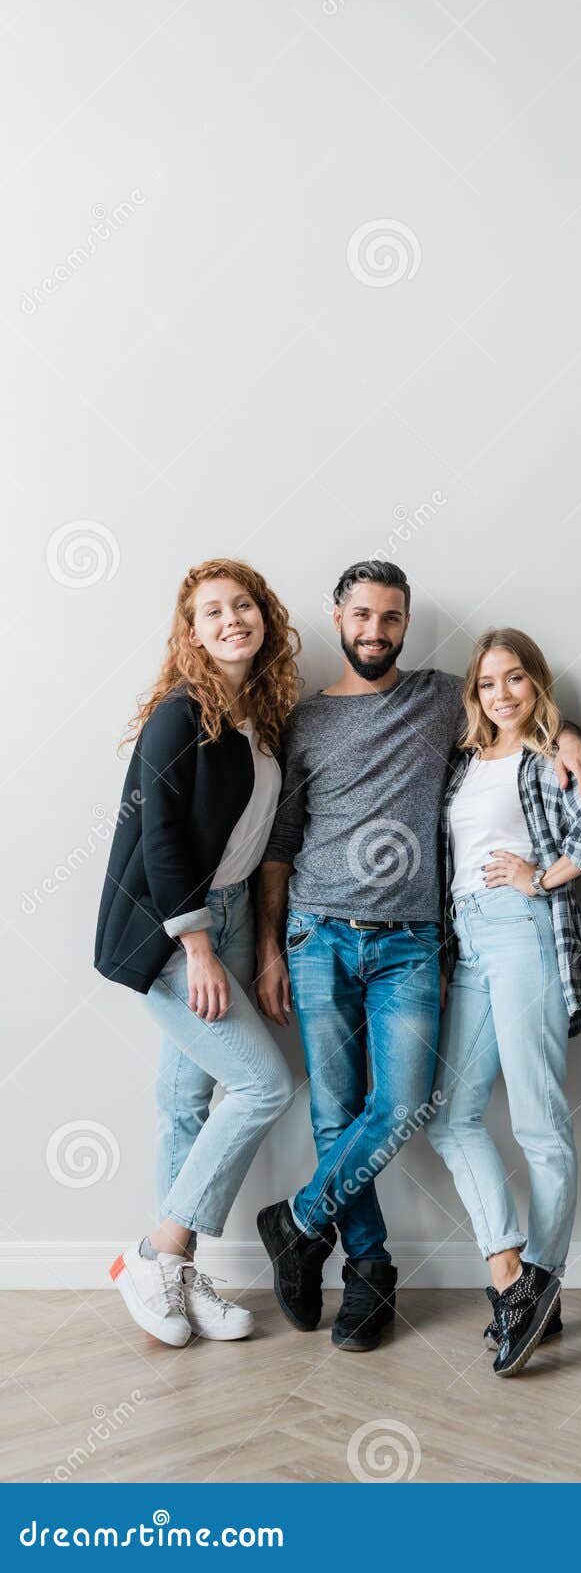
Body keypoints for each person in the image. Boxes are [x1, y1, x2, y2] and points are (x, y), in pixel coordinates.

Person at [254, 561, 581, 1354]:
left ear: (406, 624)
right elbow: (280, 841)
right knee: (335, 1111)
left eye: (390, 617)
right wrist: (270, 947)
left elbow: (516, 707)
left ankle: (299, 1221)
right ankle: (369, 1272)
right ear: (338, 618)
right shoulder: (305, 720)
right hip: (316, 932)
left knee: (404, 1104)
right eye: (362, 616)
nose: (375, 631)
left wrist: (570, 735)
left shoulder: (442, 698)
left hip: (413, 940)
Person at [95, 560, 299, 1347]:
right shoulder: (181, 715)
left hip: (236, 913)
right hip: (177, 929)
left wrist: (258, 939)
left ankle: (171, 1277)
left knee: (185, 1101)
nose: (230, 620)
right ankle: (160, 1250)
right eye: (211, 612)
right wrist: (200, 946)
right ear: (191, 633)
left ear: (264, 619)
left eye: (242, 605)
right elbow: (161, 837)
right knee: (262, 1085)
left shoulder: (259, 717)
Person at [427, 630, 581, 1377]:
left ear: (536, 682)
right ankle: (512, 1276)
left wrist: (540, 877)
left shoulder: (549, 758)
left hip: (522, 930)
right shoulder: (461, 764)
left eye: (515, 678)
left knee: (537, 1121)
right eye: (487, 683)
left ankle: (542, 1278)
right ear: (474, 695)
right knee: (450, 1118)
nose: (502, 694)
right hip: (469, 941)